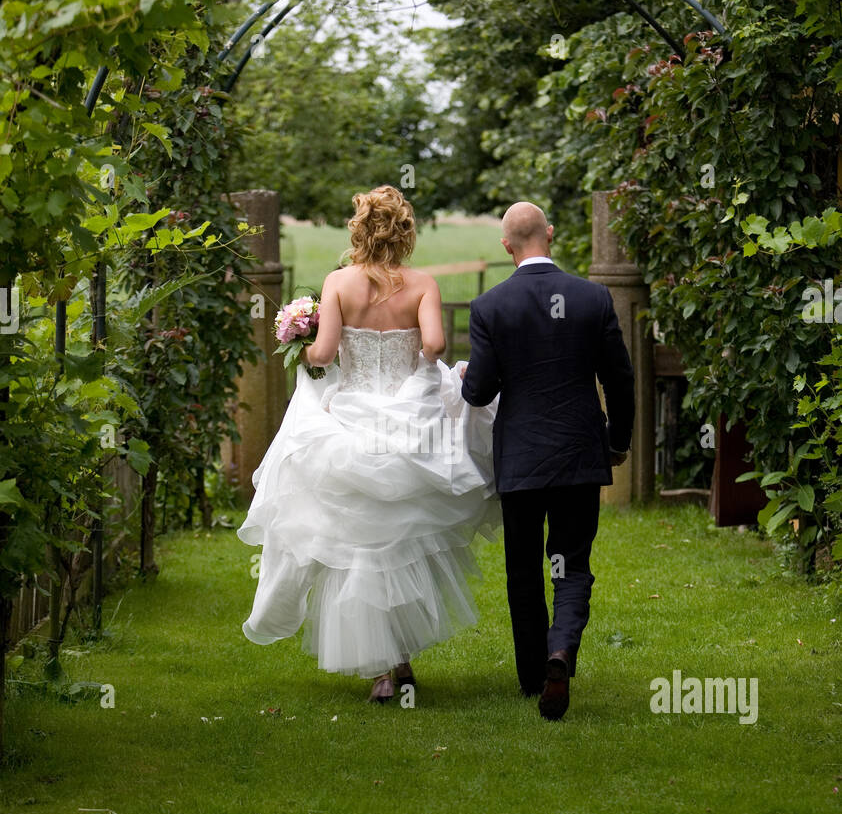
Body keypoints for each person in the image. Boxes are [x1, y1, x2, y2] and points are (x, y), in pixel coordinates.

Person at [238, 185, 499, 702]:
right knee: (401, 543)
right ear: (405, 231)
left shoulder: (338, 283)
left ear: (358, 229)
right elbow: (435, 346)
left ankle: (383, 668)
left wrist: (301, 337)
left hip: (352, 418)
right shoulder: (422, 284)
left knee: (358, 542)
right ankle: (398, 662)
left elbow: (324, 355)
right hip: (408, 417)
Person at [461, 201, 635, 721]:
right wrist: (617, 441)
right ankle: (562, 650)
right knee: (571, 562)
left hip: (521, 458)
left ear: (507, 246)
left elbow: (478, 392)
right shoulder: (593, 297)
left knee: (523, 570)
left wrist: (473, 371)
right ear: (550, 234)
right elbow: (620, 380)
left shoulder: (490, 306)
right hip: (580, 454)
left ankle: (533, 673)